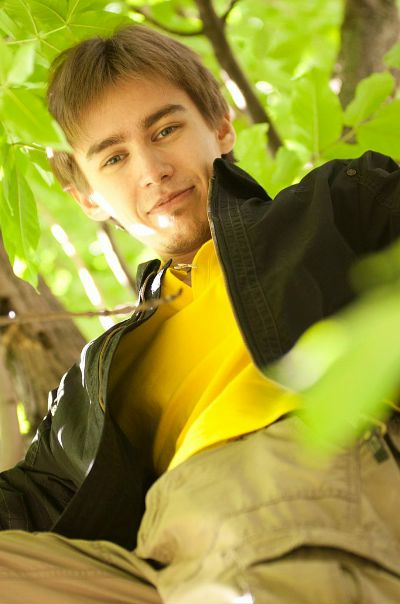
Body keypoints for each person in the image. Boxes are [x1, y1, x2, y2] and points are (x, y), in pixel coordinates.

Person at [0, 24, 400, 604]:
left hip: (298, 496)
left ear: (221, 126)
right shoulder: (97, 379)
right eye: (114, 157)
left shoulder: (335, 207)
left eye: (165, 130)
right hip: (155, 566)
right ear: (86, 197)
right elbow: (31, 501)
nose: (151, 169)